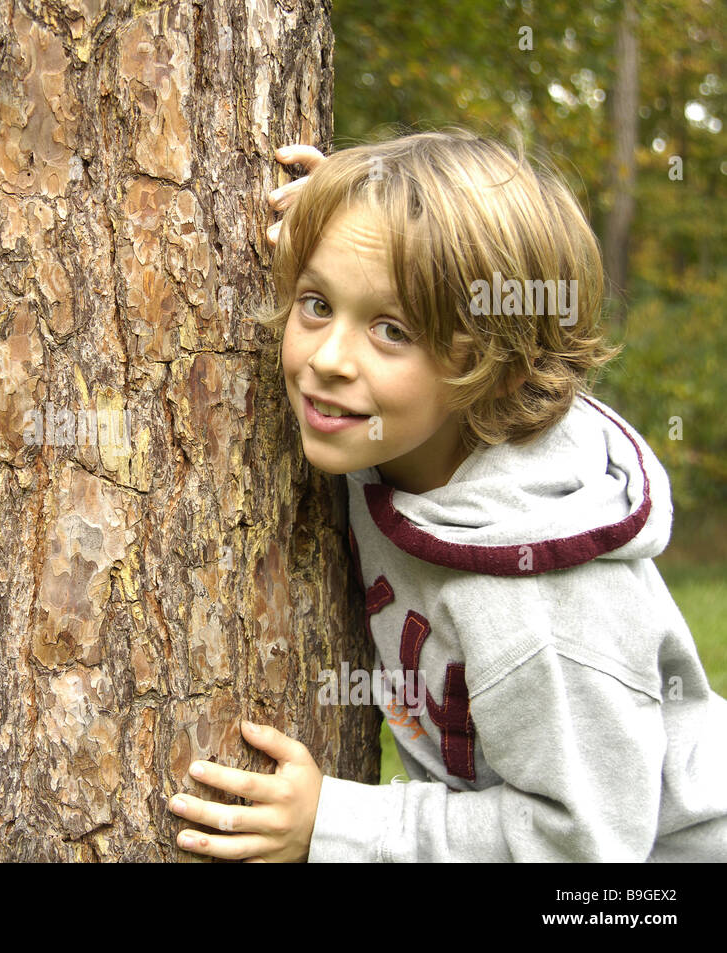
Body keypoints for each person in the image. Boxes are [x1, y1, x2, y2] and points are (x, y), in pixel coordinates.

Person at [166, 127, 727, 861]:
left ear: (498, 366)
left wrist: (336, 825)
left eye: (392, 329)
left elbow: (588, 848)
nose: (328, 360)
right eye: (315, 303)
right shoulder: (399, 430)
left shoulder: (541, 608)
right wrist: (358, 216)